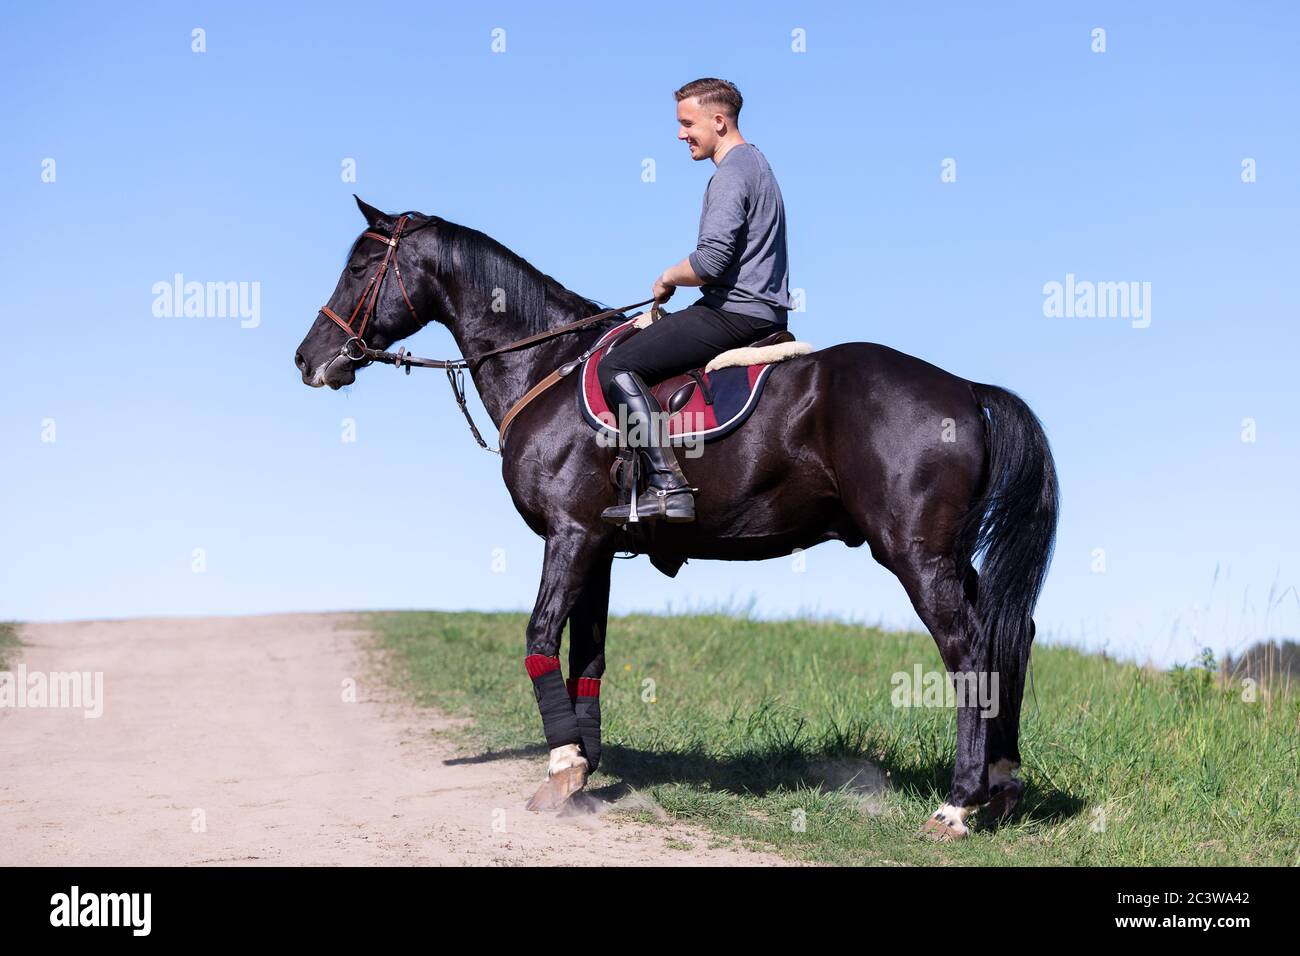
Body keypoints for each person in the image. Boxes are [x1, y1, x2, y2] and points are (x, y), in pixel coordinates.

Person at [599, 77, 793, 525]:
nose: (680, 134)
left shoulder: (731, 174)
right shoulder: (759, 165)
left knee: (616, 365)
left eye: (688, 124)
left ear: (719, 121)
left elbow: (711, 260)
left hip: (734, 314)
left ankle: (668, 487)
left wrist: (668, 276)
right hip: (760, 311)